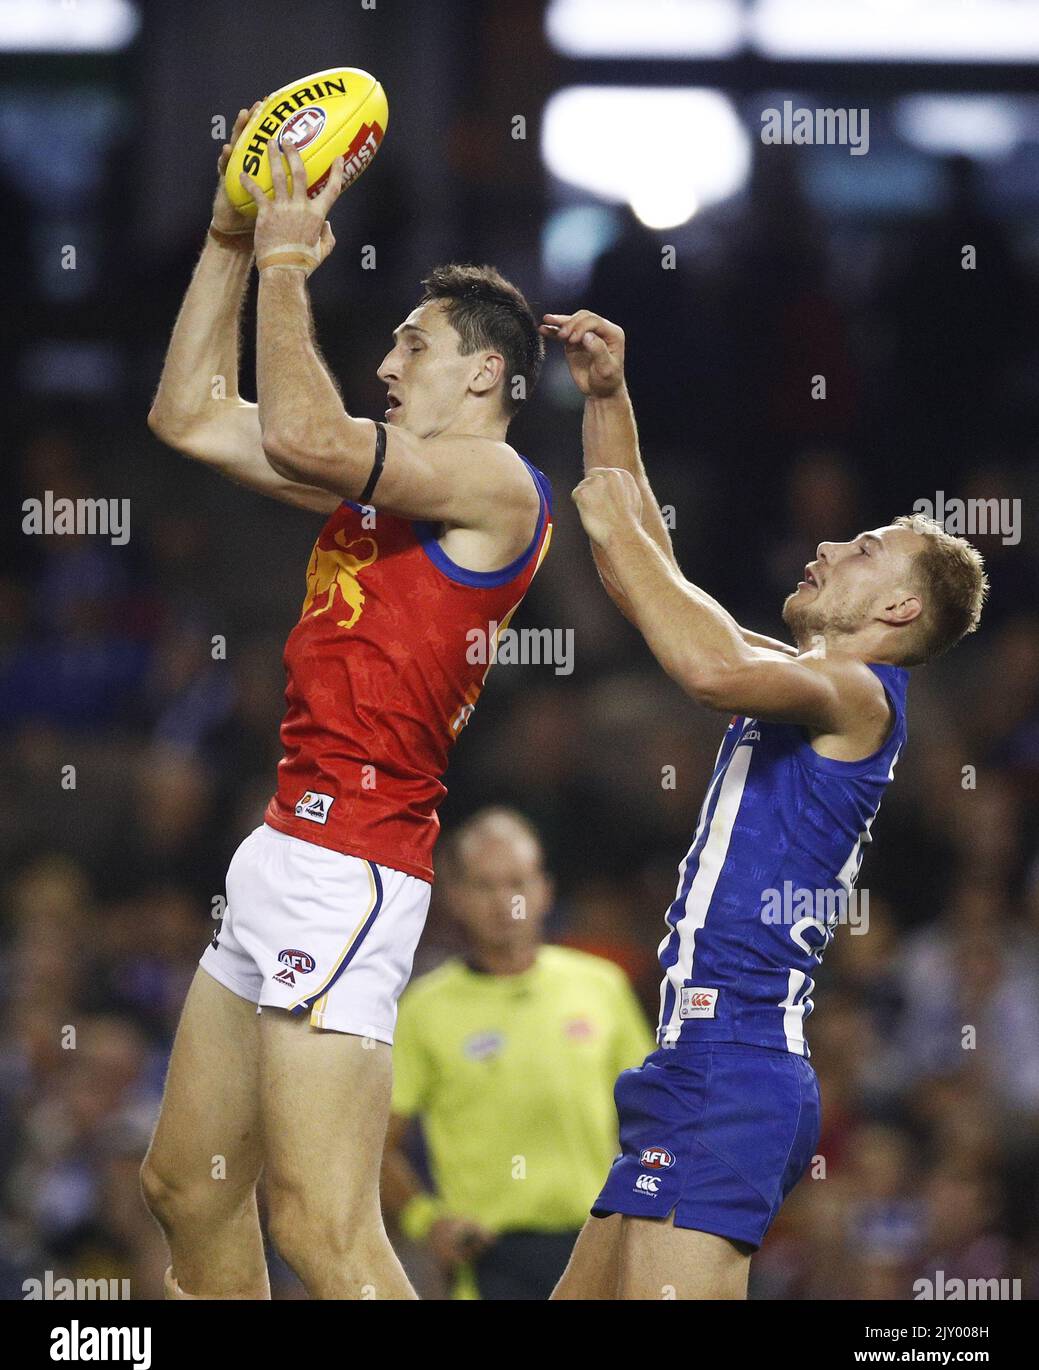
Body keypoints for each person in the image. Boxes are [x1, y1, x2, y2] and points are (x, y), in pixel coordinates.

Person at [140, 107, 552, 1300]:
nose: (387, 363)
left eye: (411, 346)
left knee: (324, 1233)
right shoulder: (381, 481)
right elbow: (184, 414)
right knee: (186, 1187)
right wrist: (228, 238)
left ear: (485, 371)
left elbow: (309, 430)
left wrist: (283, 257)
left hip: (355, 863)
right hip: (282, 844)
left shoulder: (495, 484)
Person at [541, 309, 988, 1300]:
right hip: (695, 1061)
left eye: (865, 547)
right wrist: (608, 400)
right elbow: (654, 569)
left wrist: (597, 514)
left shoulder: (858, 694)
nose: (828, 543)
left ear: (899, 612)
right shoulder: (804, 679)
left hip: (734, 1065)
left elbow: (694, 653)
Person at [382, 807, 653, 1299]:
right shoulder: (424, 1009)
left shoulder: (601, 985)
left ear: (545, 890)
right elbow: (376, 1144)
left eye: (517, 882)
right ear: (456, 897)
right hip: (489, 1256)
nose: (504, 901)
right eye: (484, 886)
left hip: (599, 1242)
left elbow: (656, 1115)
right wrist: (428, 1222)